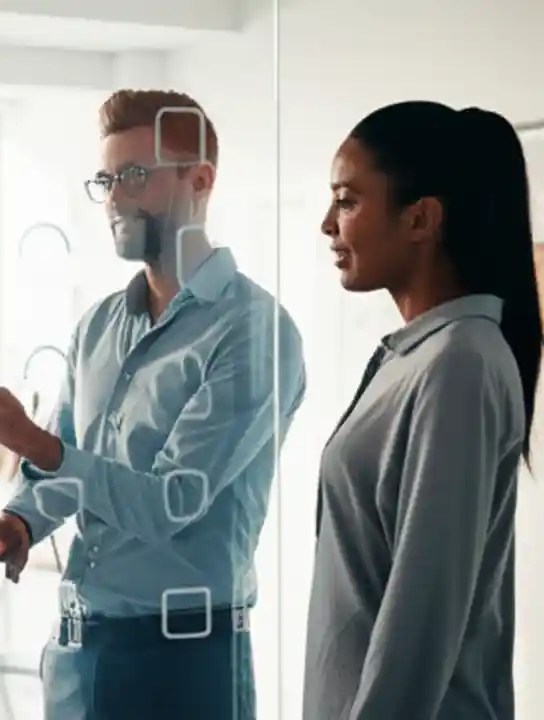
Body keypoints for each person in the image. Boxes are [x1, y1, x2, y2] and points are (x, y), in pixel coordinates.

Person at [0, 89, 306, 719]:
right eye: (106, 179)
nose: (116, 197)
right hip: (78, 651)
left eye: (135, 176)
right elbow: (68, 470)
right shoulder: (95, 328)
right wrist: (21, 522)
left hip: (184, 662)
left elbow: (171, 501)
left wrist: (37, 445)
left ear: (200, 180)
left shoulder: (253, 332)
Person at [304, 101, 538, 720]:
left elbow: (422, 617)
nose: (328, 224)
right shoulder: (420, 356)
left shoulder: (459, 362)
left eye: (347, 201)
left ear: (420, 219)